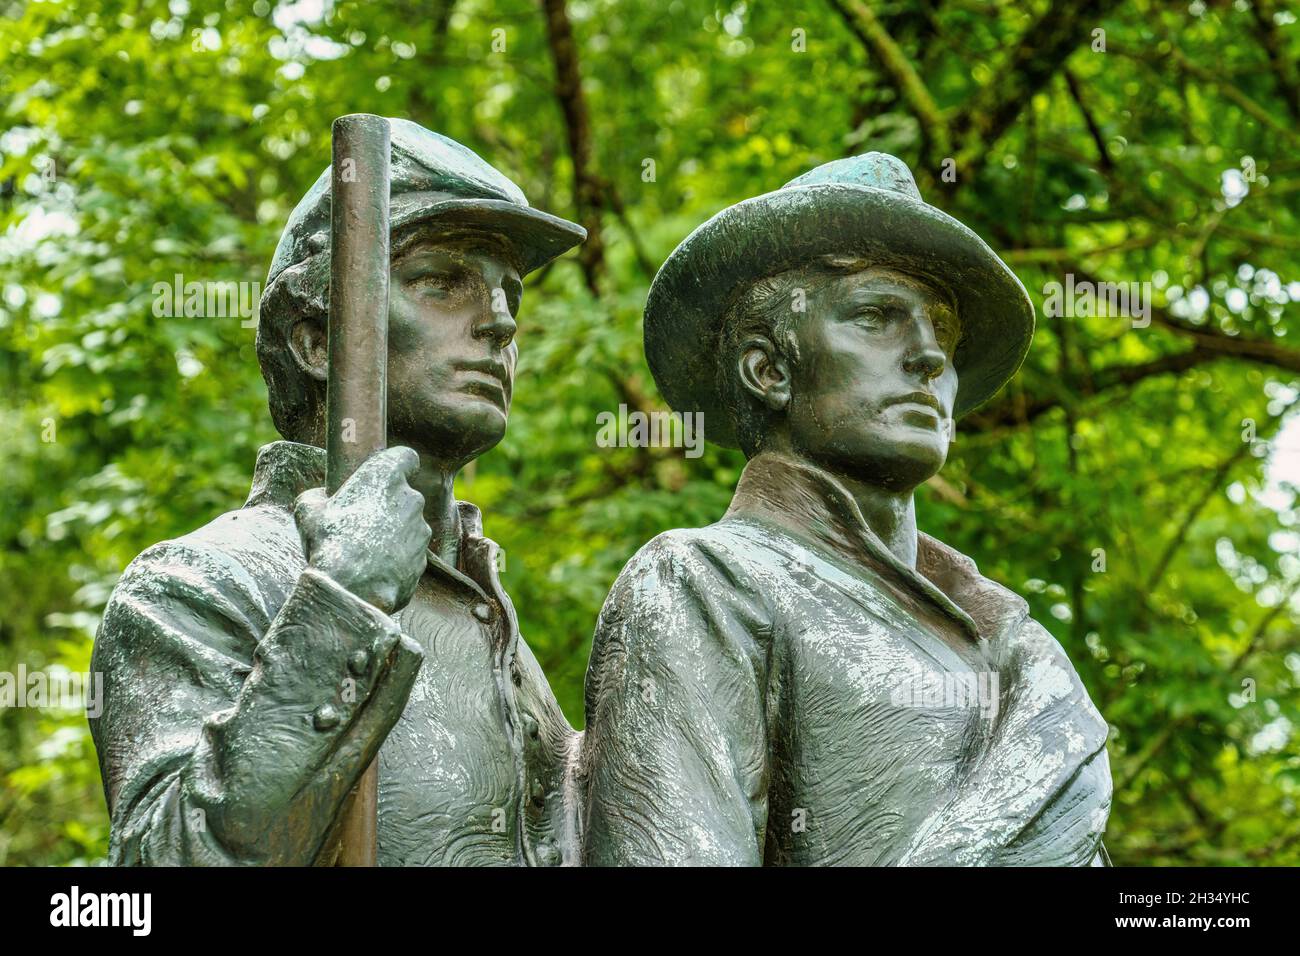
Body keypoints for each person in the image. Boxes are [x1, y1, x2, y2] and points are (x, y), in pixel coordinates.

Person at [580, 152, 1112, 866]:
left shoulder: (1012, 646)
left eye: (944, 335)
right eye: (876, 316)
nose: (929, 357)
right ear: (768, 370)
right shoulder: (707, 584)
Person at [89, 119, 586, 866]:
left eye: (508, 292)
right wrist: (341, 606)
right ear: (317, 340)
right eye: (443, 283)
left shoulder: (485, 609)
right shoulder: (198, 582)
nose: (501, 321)